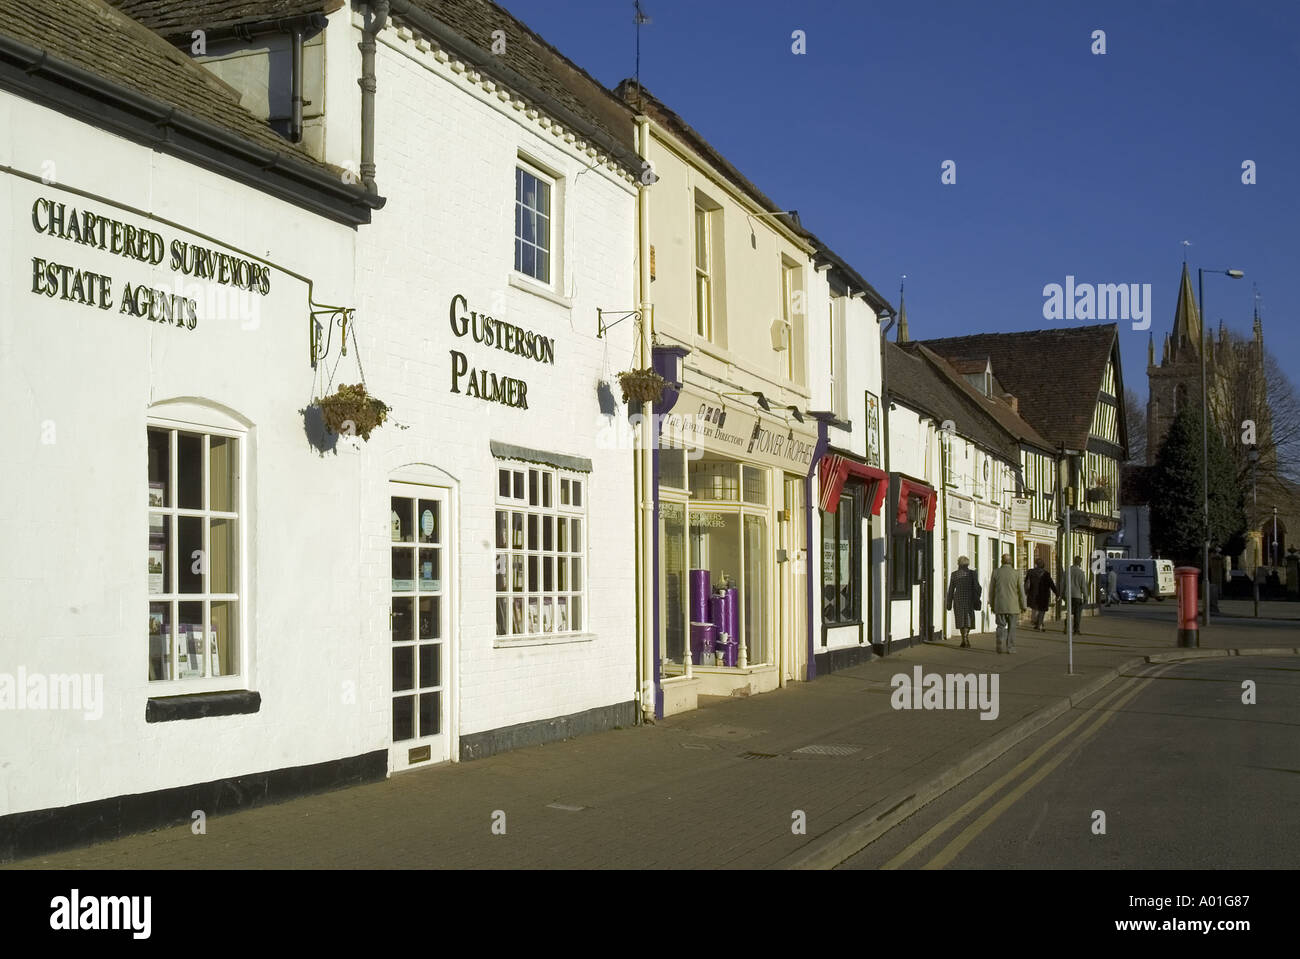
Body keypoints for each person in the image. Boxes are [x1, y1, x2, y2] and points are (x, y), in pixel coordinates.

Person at [990, 553, 1027, 654]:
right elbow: (1021, 591)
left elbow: (991, 590)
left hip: (1000, 604)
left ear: (1001, 561)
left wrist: (992, 604)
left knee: (1000, 625)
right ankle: (1010, 647)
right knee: (1012, 627)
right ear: (1011, 562)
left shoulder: (996, 572)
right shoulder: (1016, 573)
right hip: (1013, 605)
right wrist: (1024, 605)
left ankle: (999, 643)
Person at [945, 556, 981, 648]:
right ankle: (966, 637)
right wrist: (978, 596)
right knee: (968, 618)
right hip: (969, 598)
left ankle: (963, 638)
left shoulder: (954, 574)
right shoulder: (972, 573)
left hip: (958, 599)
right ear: (967, 564)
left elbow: (951, 590)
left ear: (959, 564)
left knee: (961, 618)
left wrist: (948, 603)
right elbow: (977, 587)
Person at [1024, 557, 1059, 631]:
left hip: (1033, 594)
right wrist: (1057, 593)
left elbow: (1026, 583)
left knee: (1035, 609)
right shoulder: (1046, 574)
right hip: (1044, 595)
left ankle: (1037, 623)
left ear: (1036, 564)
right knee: (1042, 611)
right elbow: (1051, 584)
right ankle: (1039, 625)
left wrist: (1026, 592)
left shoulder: (1030, 572)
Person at [1065, 555, 1086, 634]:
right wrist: (1086, 596)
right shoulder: (1081, 573)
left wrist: (1062, 594)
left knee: (1069, 611)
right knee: (1077, 613)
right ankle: (1076, 629)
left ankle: (1066, 627)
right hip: (1077, 596)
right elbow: (1083, 586)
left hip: (1068, 595)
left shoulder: (1067, 571)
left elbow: (1063, 583)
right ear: (1080, 563)